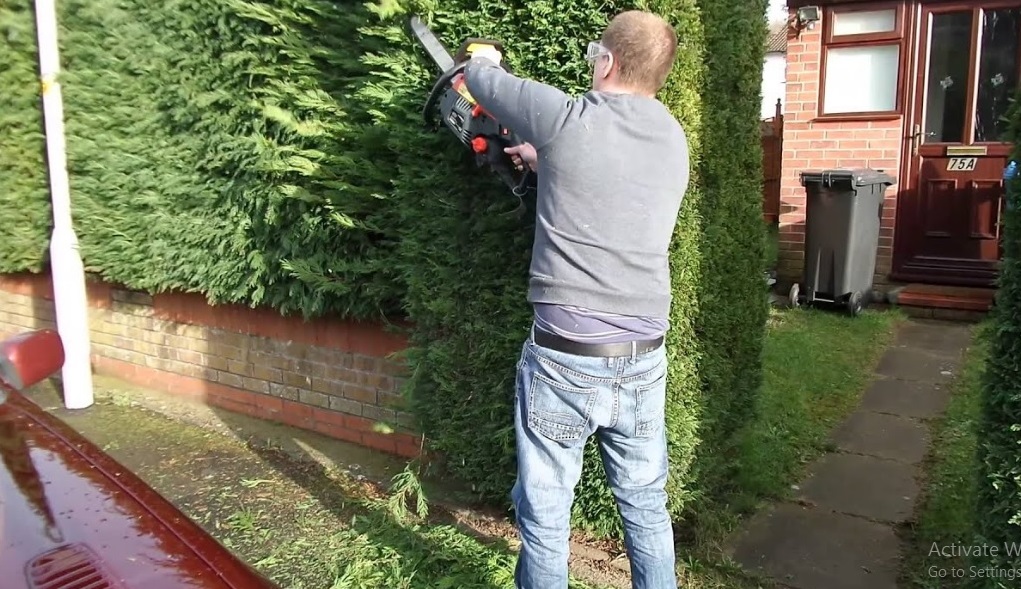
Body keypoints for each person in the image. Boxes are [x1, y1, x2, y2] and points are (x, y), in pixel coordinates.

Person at [462, 10, 689, 589]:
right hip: (643, 358)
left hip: (564, 360)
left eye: (596, 57)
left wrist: (483, 59)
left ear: (607, 61)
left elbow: (485, 81)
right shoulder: (671, 137)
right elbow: (619, 187)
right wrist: (548, 162)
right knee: (645, 506)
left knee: (545, 515)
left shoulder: (567, 118)